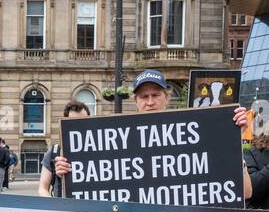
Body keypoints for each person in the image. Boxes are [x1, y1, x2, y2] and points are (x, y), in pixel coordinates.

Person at [48, 70, 252, 195]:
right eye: (144, 96)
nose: (150, 101)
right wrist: (68, 172)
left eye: (155, 95)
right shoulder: (115, 141)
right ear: (135, 101)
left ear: (166, 97)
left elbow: (245, 191)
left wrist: (231, 141)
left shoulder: (193, 135)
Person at [38, 100, 91, 197]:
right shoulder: (55, 152)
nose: (79, 127)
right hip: (64, 210)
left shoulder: (103, 150)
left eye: (83, 121)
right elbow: (43, 188)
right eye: (74, 123)